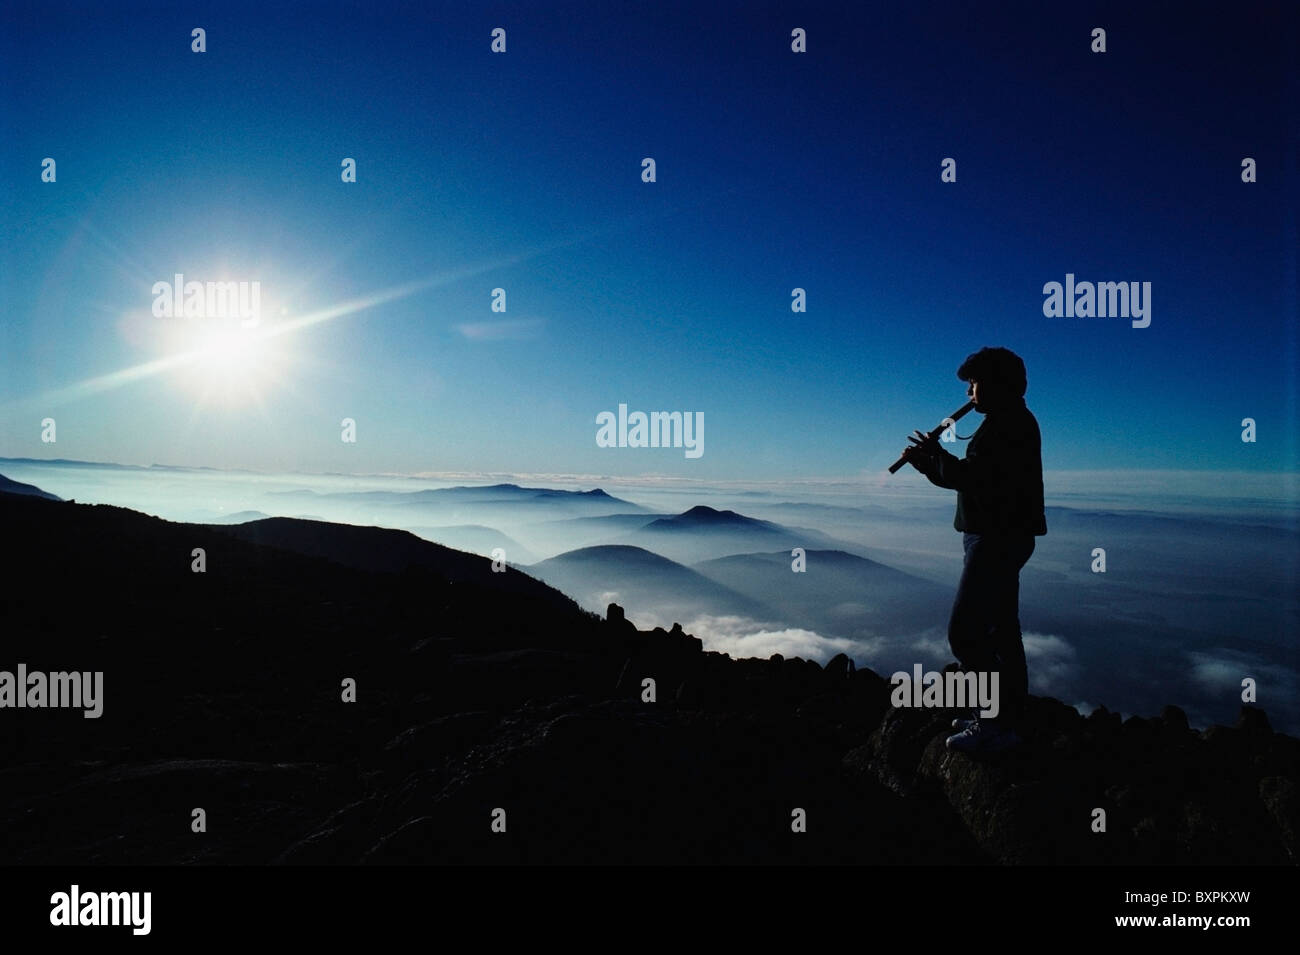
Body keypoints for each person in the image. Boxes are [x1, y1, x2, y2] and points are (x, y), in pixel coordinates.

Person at [900, 347, 1046, 756]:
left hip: (995, 539)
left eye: (974, 383)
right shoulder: (1010, 422)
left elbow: (973, 479)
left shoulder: (1007, 426)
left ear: (996, 383)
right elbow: (972, 479)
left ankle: (995, 722)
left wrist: (933, 459)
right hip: (999, 537)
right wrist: (933, 462)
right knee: (1001, 632)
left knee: (964, 633)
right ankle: (1006, 718)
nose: (968, 392)